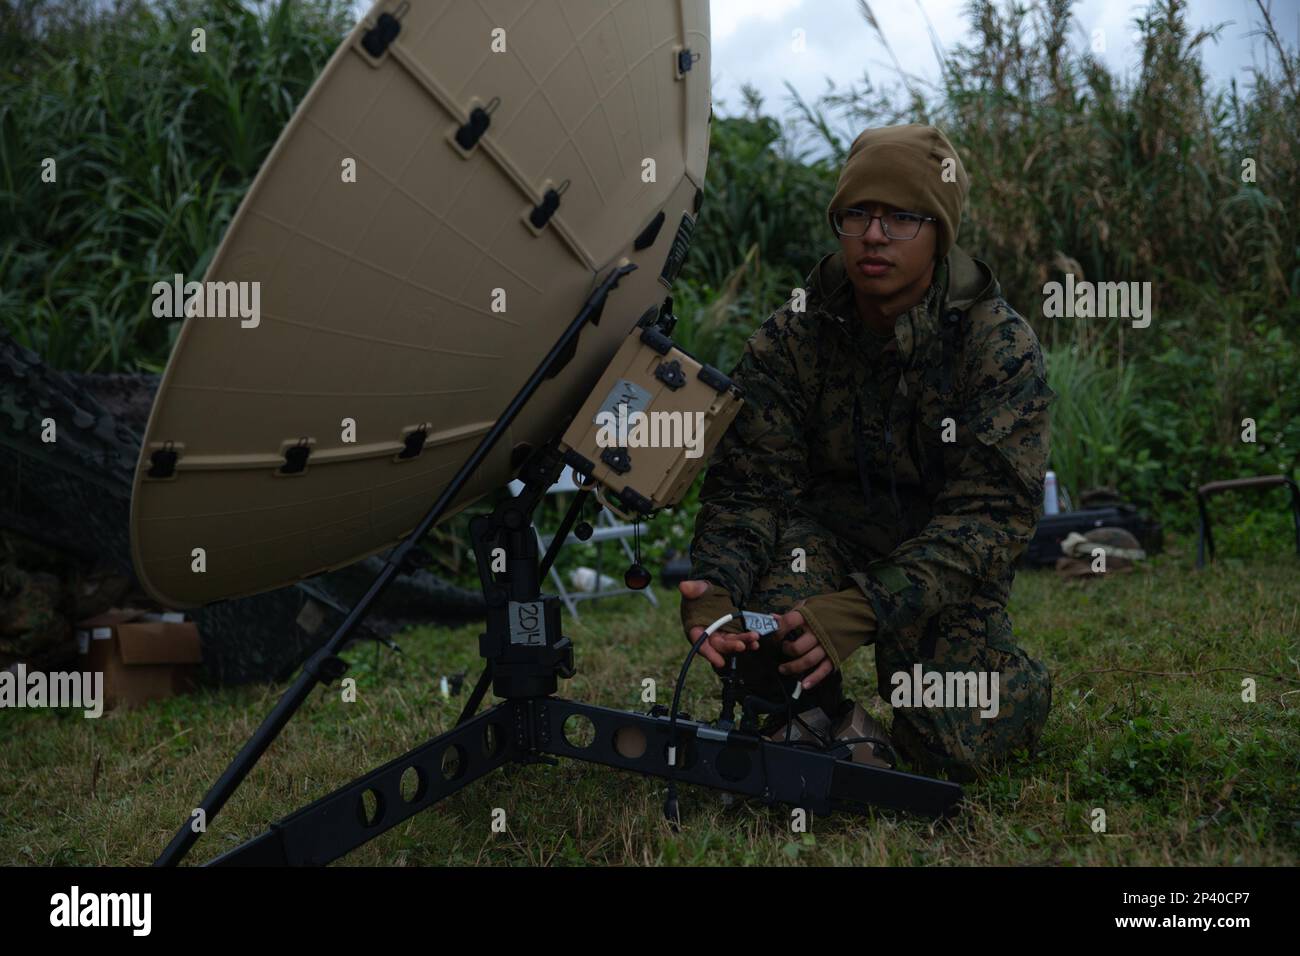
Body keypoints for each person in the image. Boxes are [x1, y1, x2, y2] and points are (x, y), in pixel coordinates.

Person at [679, 124, 1055, 781]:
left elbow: (992, 519)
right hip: (827, 538)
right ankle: (811, 715)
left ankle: (1015, 683)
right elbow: (749, 490)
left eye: (901, 218)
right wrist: (716, 588)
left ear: (940, 231)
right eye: (857, 215)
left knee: (955, 742)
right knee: (765, 643)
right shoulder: (791, 338)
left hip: (943, 564)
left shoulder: (996, 345)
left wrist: (861, 609)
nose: (874, 236)